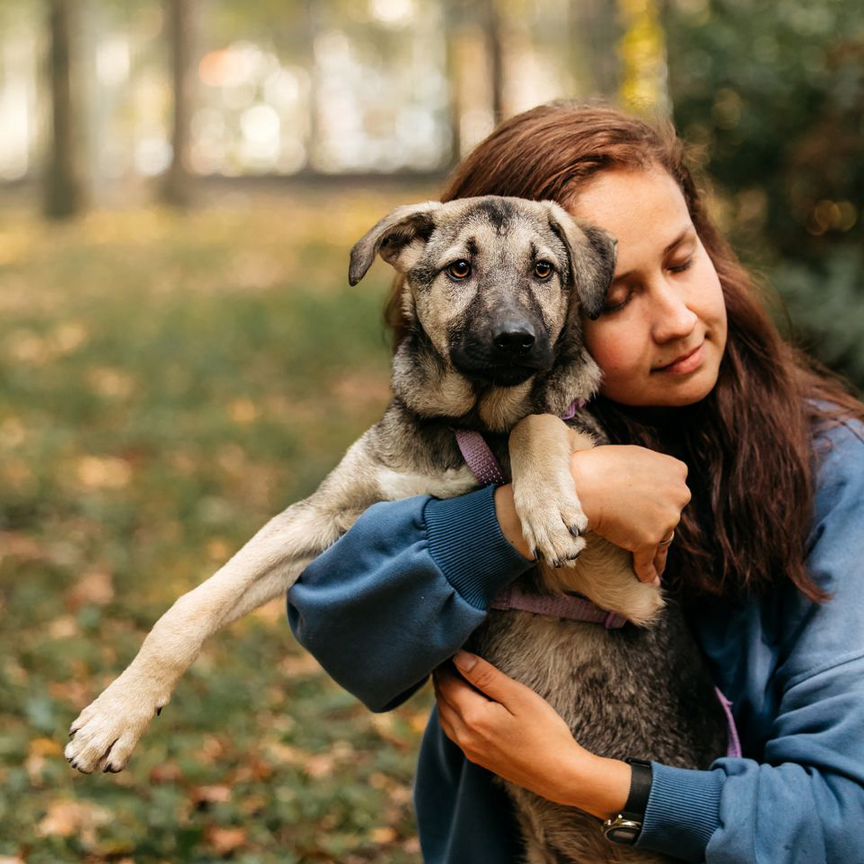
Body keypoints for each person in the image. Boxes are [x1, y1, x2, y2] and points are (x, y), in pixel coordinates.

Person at [286, 103, 864, 863]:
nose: (679, 320)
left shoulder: (837, 471)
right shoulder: (475, 445)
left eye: (684, 260)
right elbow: (343, 634)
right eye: (617, 298)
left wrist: (592, 783)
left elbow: (846, 813)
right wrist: (534, 510)